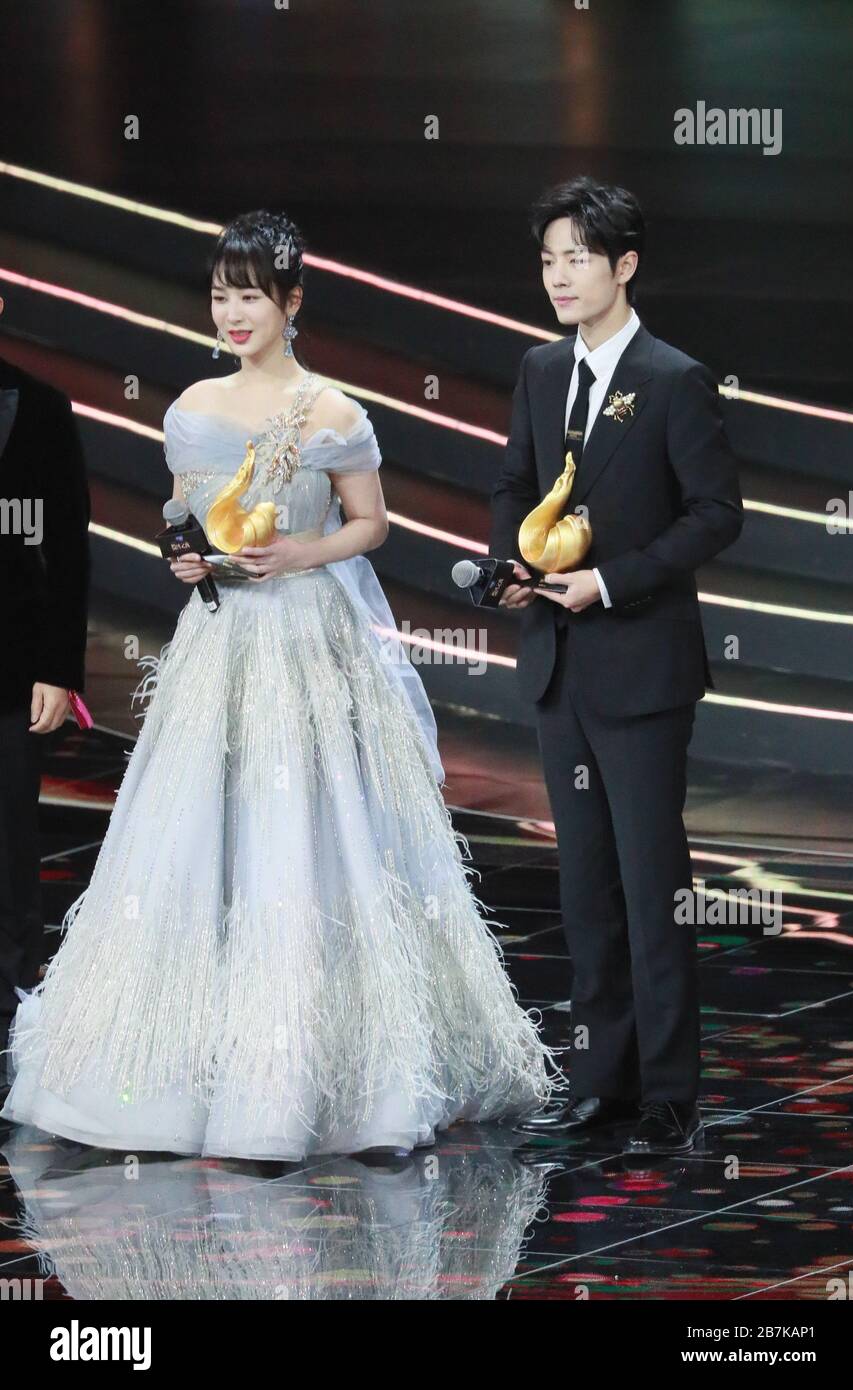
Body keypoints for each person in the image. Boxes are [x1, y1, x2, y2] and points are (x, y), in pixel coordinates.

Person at [0, 210, 565, 1161]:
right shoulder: (190, 408)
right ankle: (184, 1063)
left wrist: (303, 551)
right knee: (198, 832)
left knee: (312, 828)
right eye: (221, 295)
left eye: (250, 296)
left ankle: (318, 1067)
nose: (232, 313)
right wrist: (186, 560)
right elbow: (184, 518)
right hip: (220, 644)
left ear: (292, 302)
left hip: (308, 640)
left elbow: (372, 526)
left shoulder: (335, 412)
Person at [489, 177, 744, 1155]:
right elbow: (513, 481)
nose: (557, 276)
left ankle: (669, 1095)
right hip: (557, 664)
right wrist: (513, 563)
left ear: (622, 265)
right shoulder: (537, 370)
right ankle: (598, 1081)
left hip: (639, 669)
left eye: (576, 259)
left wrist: (611, 581)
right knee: (582, 889)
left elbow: (715, 514)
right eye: (547, 259)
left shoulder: (673, 378)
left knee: (649, 886)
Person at [0, 305, 91, 1099]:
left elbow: (69, 547)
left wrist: (61, 670)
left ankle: (13, 997)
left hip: (16, 661)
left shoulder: (42, 408)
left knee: (10, 829)